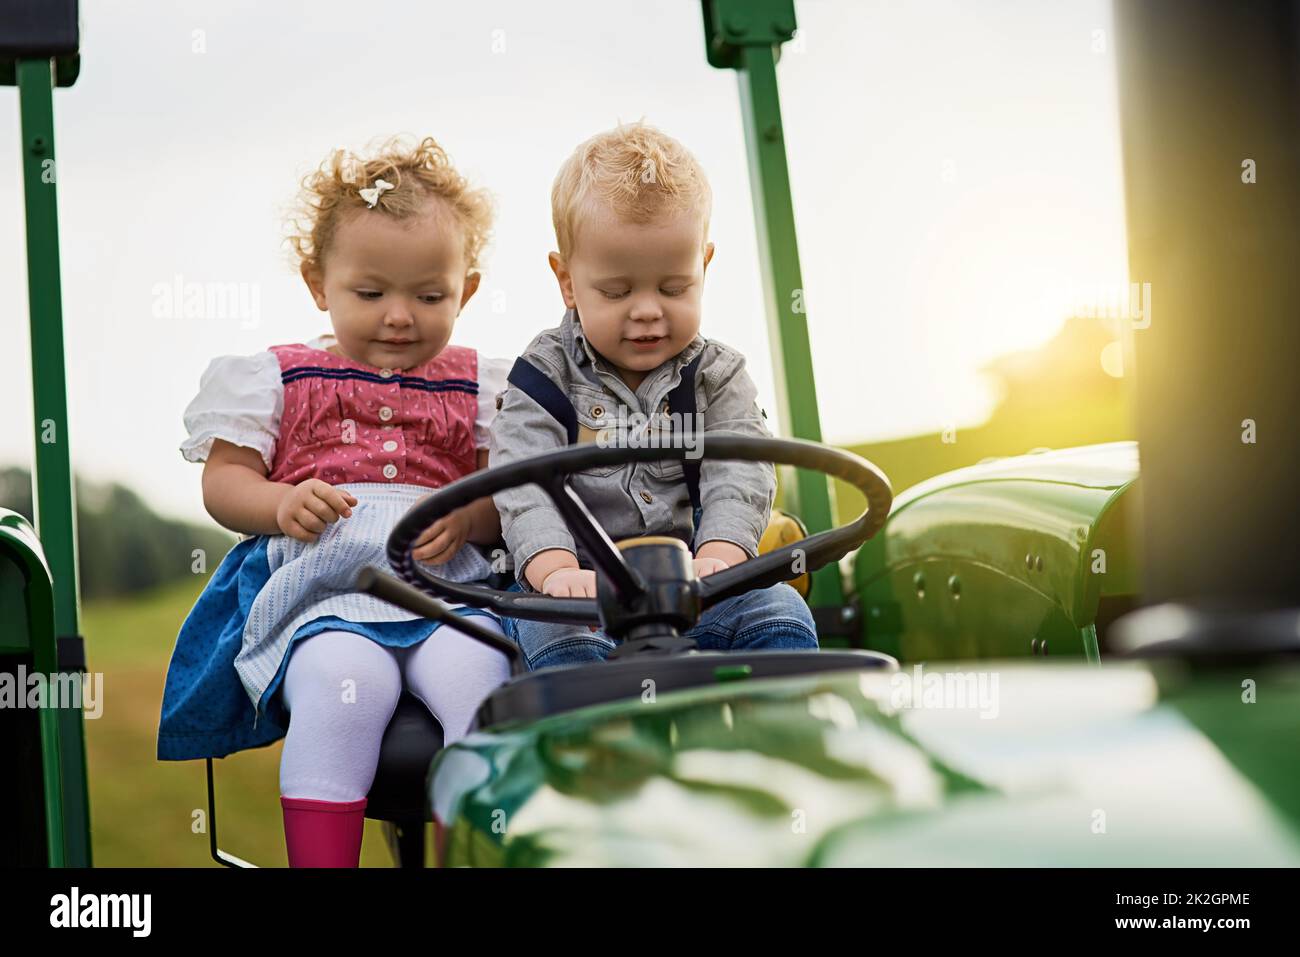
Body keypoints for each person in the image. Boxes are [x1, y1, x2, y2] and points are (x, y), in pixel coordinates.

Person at [158, 136, 511, 867]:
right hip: (329, 594)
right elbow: (224, 480)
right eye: (371, 292)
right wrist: (279, 503)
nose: (399, 317)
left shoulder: (481, 385)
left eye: (429, 295)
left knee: (485, 680)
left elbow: (500, 495)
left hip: (450, 594)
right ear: (320, 283)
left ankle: (475, 854)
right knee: (342, 690)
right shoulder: (281, 378)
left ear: (465, 290)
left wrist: (470, 515)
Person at [490, 122, 817, 670]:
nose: (647, 309)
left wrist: (721, 555)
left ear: (703, 266)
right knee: (555, 635)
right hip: (578, 596)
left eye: (673, 287)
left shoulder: (717, 374)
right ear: (567, 281)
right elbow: (523, 477)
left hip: (692, 591)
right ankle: (596, 748)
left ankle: (777, 739)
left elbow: (741, 466)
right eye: (616, 291)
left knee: (778, 611)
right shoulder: (545, 376)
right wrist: (554, 567)